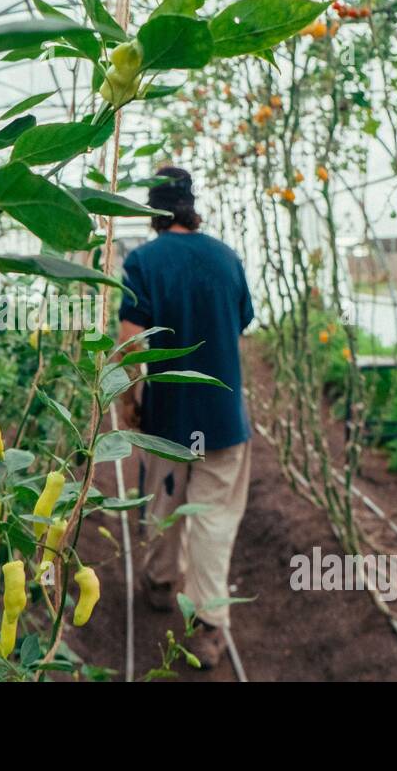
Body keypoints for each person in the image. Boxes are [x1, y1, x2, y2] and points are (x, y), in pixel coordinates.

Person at [116, 165, 254, 670]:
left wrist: (129, 402)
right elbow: (238, 326)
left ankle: (157, 582)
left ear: (153, 210)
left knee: (165, 501)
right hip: (222, 416)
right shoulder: (227, 258)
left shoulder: (144, 262)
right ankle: (208, 627)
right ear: (190, 206)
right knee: (214, 517)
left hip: (169, 418)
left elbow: (130, 344)